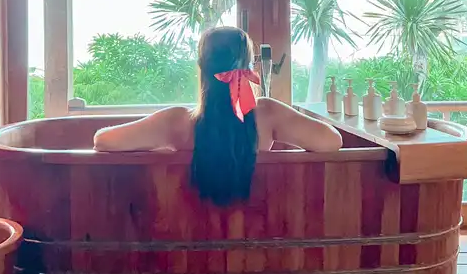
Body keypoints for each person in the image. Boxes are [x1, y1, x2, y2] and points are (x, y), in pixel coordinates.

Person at [93, 26, 343, 206]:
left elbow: (103, 140)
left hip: (192, 237)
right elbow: (332, 141)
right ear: (248, 68)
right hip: (253, 231)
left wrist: (162, 152)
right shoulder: (267, 114)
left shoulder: (176, 122)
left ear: (201, 68)